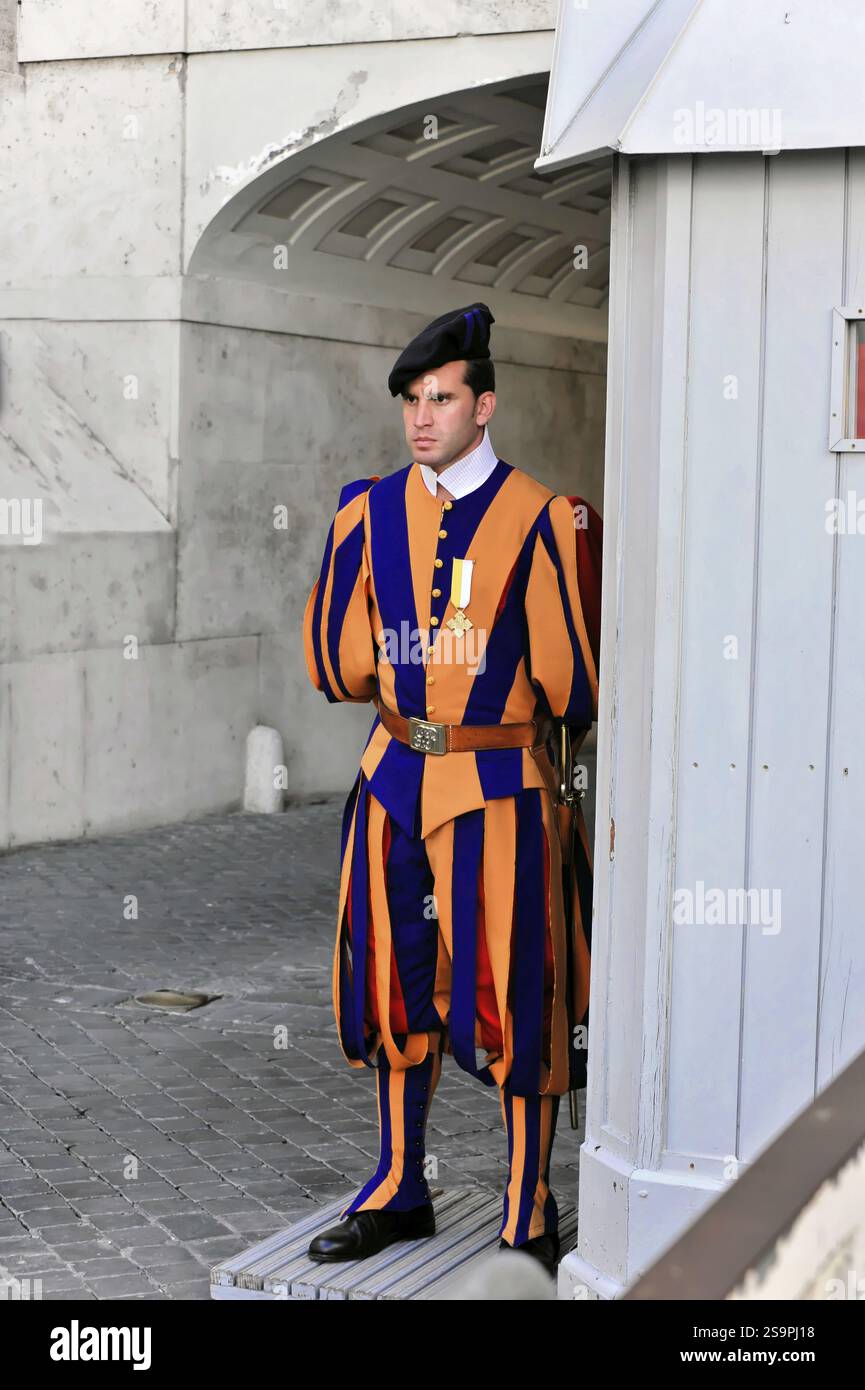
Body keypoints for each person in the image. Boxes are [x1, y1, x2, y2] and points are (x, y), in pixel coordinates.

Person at [301, 301, 602, 1277]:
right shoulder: (367, 510)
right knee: (390, 985)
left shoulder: (544, 517)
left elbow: (574, 686)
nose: (421, 417)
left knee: (520, 990)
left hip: (499, 782)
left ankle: (528, 1195)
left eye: (441, 398)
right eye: (409, 402)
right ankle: (399, 1184)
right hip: (392, 775)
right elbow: (337, 666)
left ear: (486, 404)